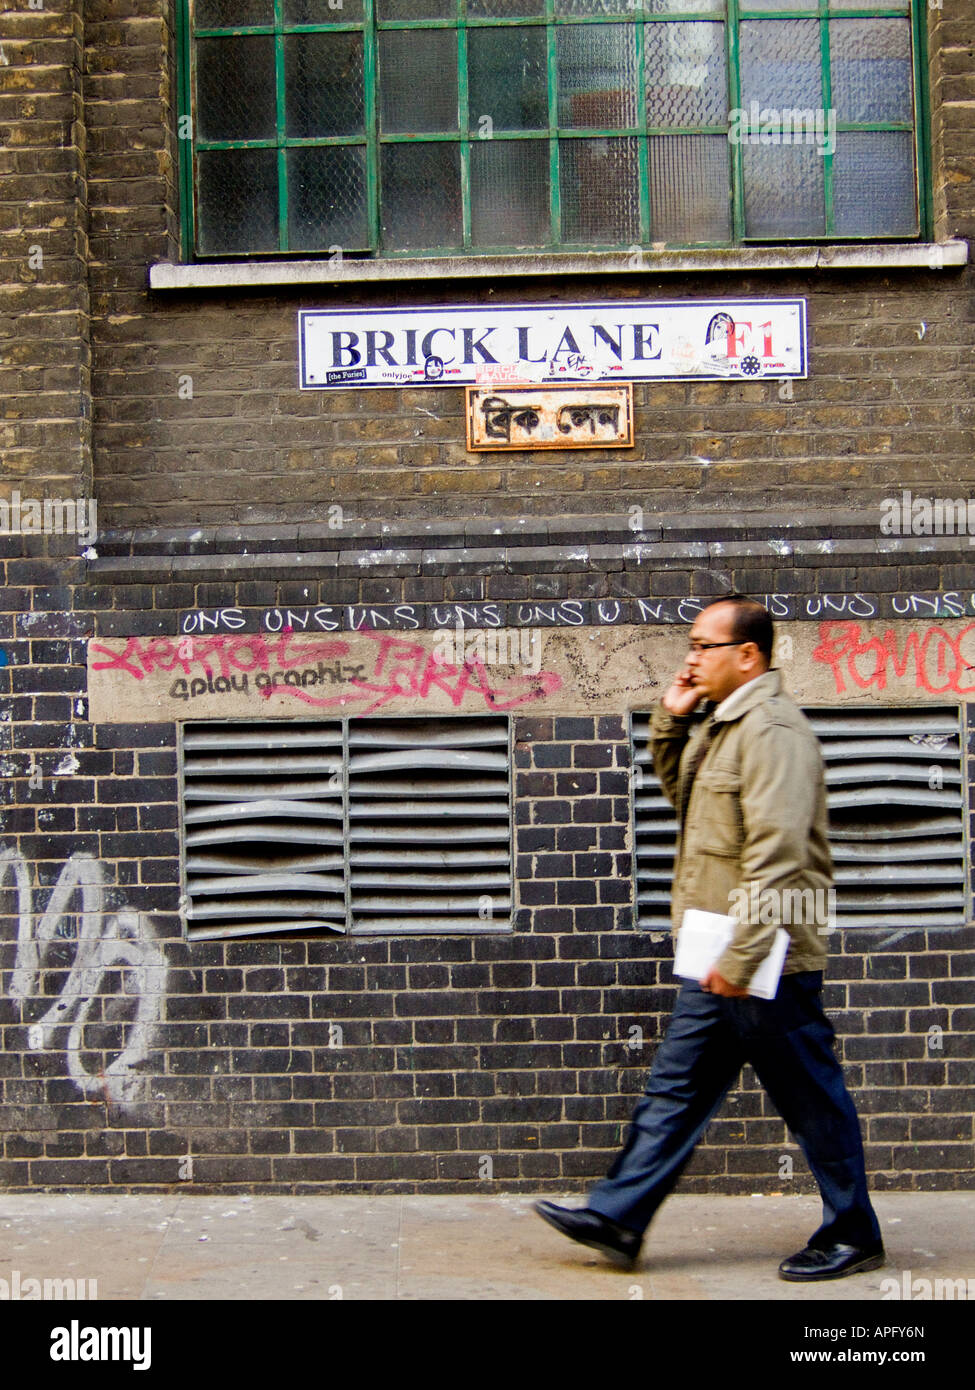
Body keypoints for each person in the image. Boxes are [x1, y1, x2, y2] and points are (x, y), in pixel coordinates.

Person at [535, 595, 883, 1281]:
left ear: (746, 654)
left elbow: (778, 853)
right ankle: (618, 1217)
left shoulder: (772, 730)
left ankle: (852, 1233)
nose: (690, 656)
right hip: (716, 948)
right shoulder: (723, 726)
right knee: (674, 1090)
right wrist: (671, 719)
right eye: (690, 644)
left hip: (763, 958)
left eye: (703, 645)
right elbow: (685, 801)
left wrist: (743, 955)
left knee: (810, 1099)